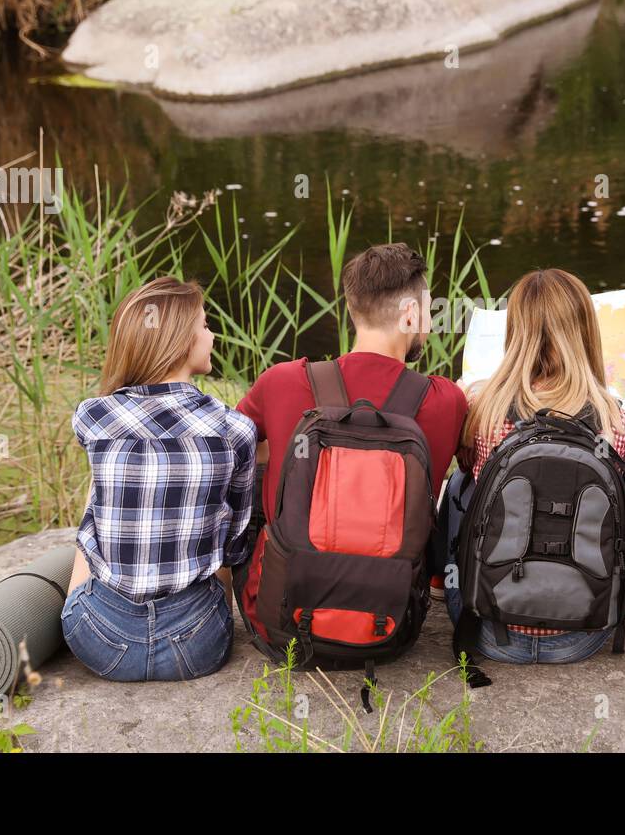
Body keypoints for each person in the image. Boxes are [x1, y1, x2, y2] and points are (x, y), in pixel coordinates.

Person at [233, 242, 468, 612]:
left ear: (350, 307)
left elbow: (229, 451)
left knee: (259, 465)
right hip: (391, 617)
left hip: (282, 614)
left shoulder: (280, 382)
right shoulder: (445, 400)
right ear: (410, 314)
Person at [61, 276, 257, 682]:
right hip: (196, 646)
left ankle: (74, 601)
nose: (212, 334)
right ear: (183, 339)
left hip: (98, 641)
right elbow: (234, 544)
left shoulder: (92, 417)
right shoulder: (233, 428)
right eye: (204, 325)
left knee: (97, 498)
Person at [442, 268, 625, 664]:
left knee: (463, 483)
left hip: (492, 631)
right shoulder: (616, 420)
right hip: (580, 635)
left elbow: (471, 472)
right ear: (584, 333)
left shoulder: (485, 411)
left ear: (515, 333)